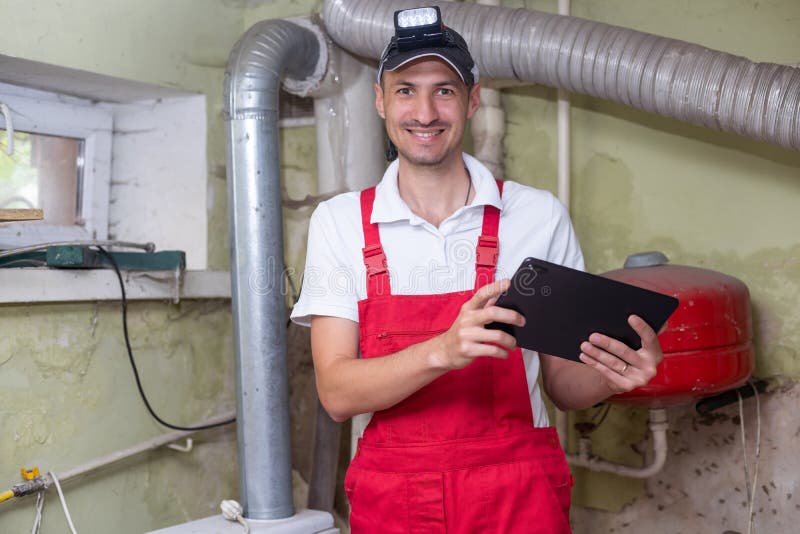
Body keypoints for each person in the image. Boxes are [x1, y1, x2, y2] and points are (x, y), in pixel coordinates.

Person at [290, 7, 664, 533]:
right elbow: (337, 393)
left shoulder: (537, 216)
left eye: (444, 90)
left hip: (519, 497)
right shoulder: (341, 223)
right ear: (380, 100)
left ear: (473, 99)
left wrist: (614, 376)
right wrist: (443, 350)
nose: (425, 111)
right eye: (405, 90)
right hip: (396, 501)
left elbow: (562, 387)